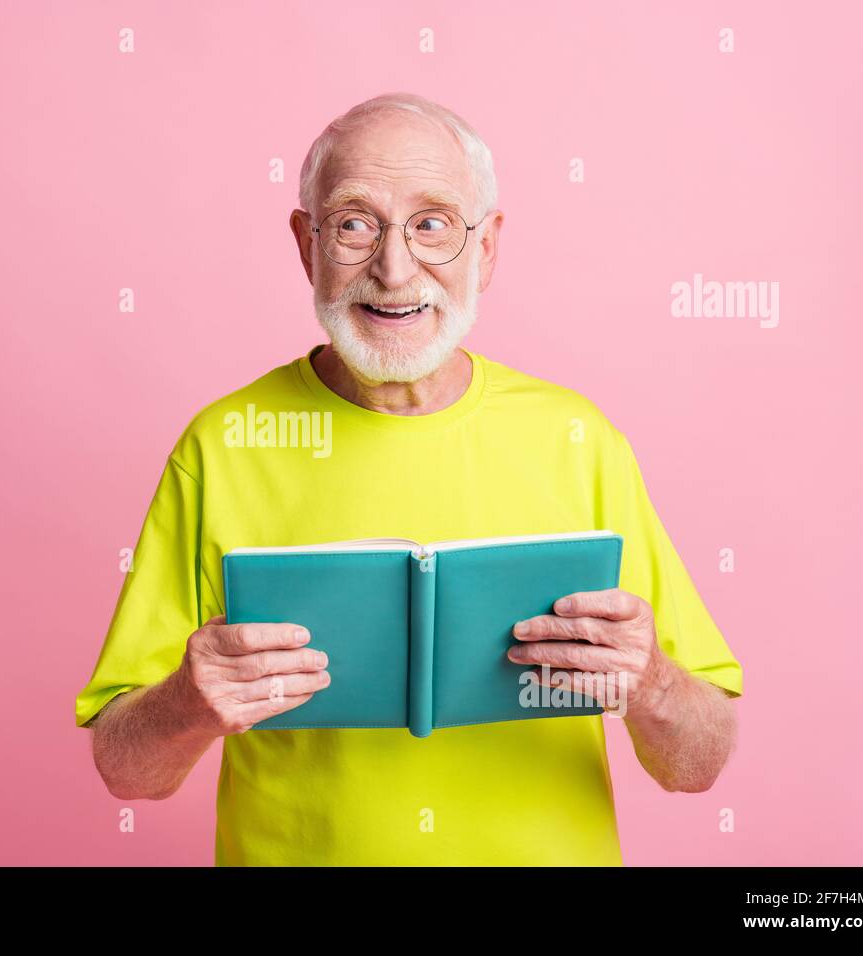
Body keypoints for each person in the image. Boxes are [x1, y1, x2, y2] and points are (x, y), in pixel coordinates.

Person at [75, 92, 742, 866]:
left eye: (433, 224)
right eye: (356, 222)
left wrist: (650, 683)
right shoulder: (221, 445)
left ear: (487, 248)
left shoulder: (578, 439)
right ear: (307, 243)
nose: (394, 270)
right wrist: (189, 704)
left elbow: (701, 763)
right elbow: (127, 771)